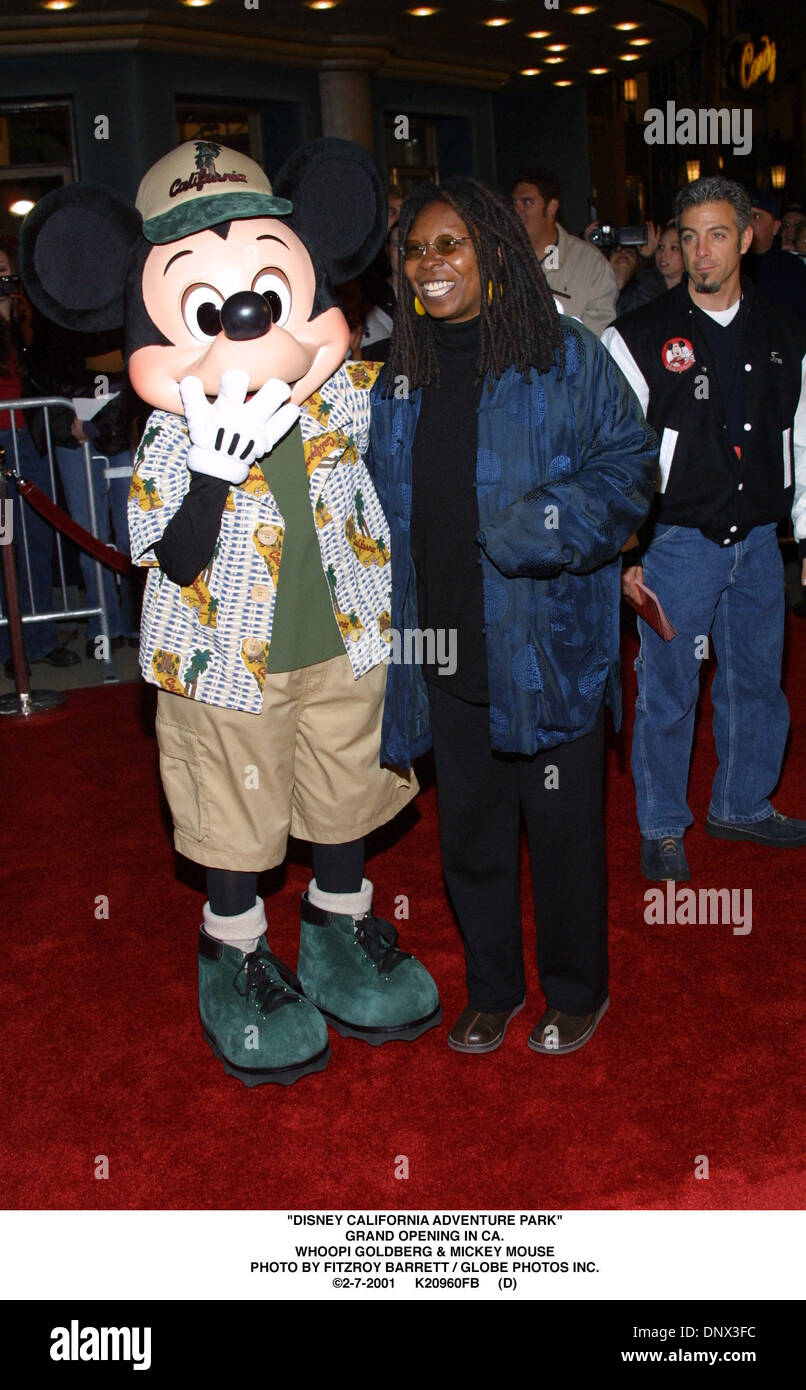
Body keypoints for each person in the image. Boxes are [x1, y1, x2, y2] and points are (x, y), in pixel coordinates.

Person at [21, 138, 439, 1087]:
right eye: (206, 309)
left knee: (344, 797)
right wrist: (211, 474)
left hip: (346, 637)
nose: (248, 324)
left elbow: (431, 425)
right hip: (223, 660)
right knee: (234, 815)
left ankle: (338, 932)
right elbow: (170, 555)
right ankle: (237, 954)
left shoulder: (345, 399)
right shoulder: (173, 433)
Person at [369, 176, 657, 1056]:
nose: (430, 264)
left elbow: (629, 472)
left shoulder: (567, 354)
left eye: (449, 244)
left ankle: (576, 992)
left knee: (563, 835)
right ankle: (493, 989)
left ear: (494, 249)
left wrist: (538, 524)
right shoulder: (401, 378)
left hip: (547, 648)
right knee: (473, 840)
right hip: (442, 643)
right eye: (416, 249)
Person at [602, 177, 806, 881]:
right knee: (667, 690)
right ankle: (661, 823)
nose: (701, 251)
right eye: (687, 237)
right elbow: (607, 458)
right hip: (675, 544)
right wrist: (620, 554)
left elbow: (800, 438)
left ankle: (742, 803)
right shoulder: (635, 336)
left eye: (717, 234)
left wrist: (804, 534)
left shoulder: (784, 329)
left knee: (757, 681)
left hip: (758, 543)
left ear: (747, 237)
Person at [0, 238, 79, 675]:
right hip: (1, 437)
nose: (4, 280)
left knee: (36, 539)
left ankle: (41, 637)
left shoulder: (22, 325)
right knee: (4, 545)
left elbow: (37, 374)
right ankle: (10, 645)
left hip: (24, 440)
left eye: (7, 271)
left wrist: (14, 319)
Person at [512, 167, 617, 336]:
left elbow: (597, 339)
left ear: (551, 207)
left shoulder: (590, 264)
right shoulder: (500, 259)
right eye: (514, 203)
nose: (517, 211)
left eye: (527, 202)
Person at [744, 189, 806, 323]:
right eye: (745, 217)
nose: (749, 224)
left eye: (757, 217)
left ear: (776, 227)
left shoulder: (792, 268)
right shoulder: (733, 266)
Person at [608, 244, 653, 316]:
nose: (623, 253)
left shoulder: (642, 293)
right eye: (616, 251)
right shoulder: (597, 291)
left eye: (629, 252)